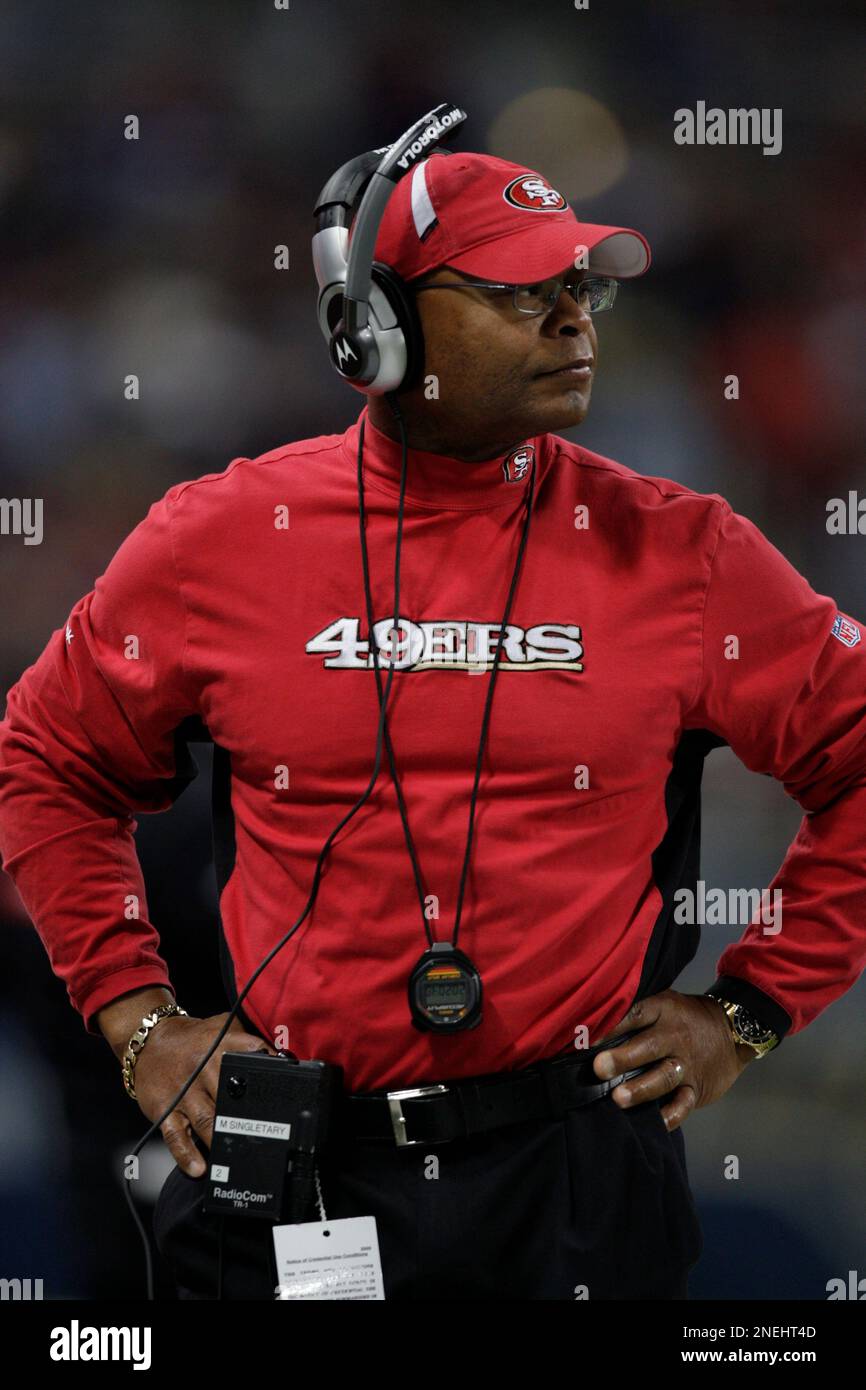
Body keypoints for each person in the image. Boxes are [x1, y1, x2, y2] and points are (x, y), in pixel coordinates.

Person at [1, 147, 864, 1302]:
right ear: (372, 323)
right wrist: (137, 1016)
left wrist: (748, 1009)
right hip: (300, 1163)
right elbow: (48, 759)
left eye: (582, 287)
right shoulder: (217, 540)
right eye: (518, 292)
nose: (573, 323)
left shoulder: (685, 554)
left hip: (573, 1172)